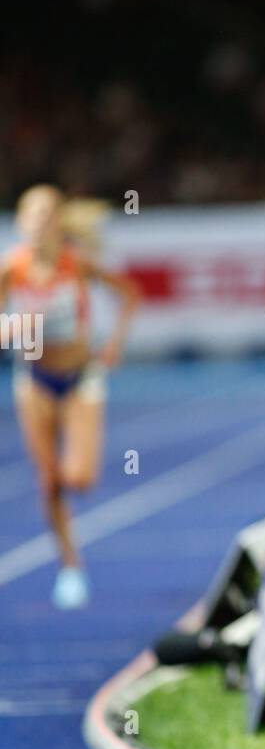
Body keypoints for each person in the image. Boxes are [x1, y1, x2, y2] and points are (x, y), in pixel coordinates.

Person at [1, 185, 140, 607]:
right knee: (49, 483)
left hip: (80, 377)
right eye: (32, 213)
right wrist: (10, 330)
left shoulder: (75, 264)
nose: (40, 221)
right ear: (22, 222)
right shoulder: (13, 268)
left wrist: (114, 341)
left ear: (58, 221)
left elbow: (129, 294)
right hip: (35, 380)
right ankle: (70, 566)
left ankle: (70, 483)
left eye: (47, 213)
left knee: (78, 477)